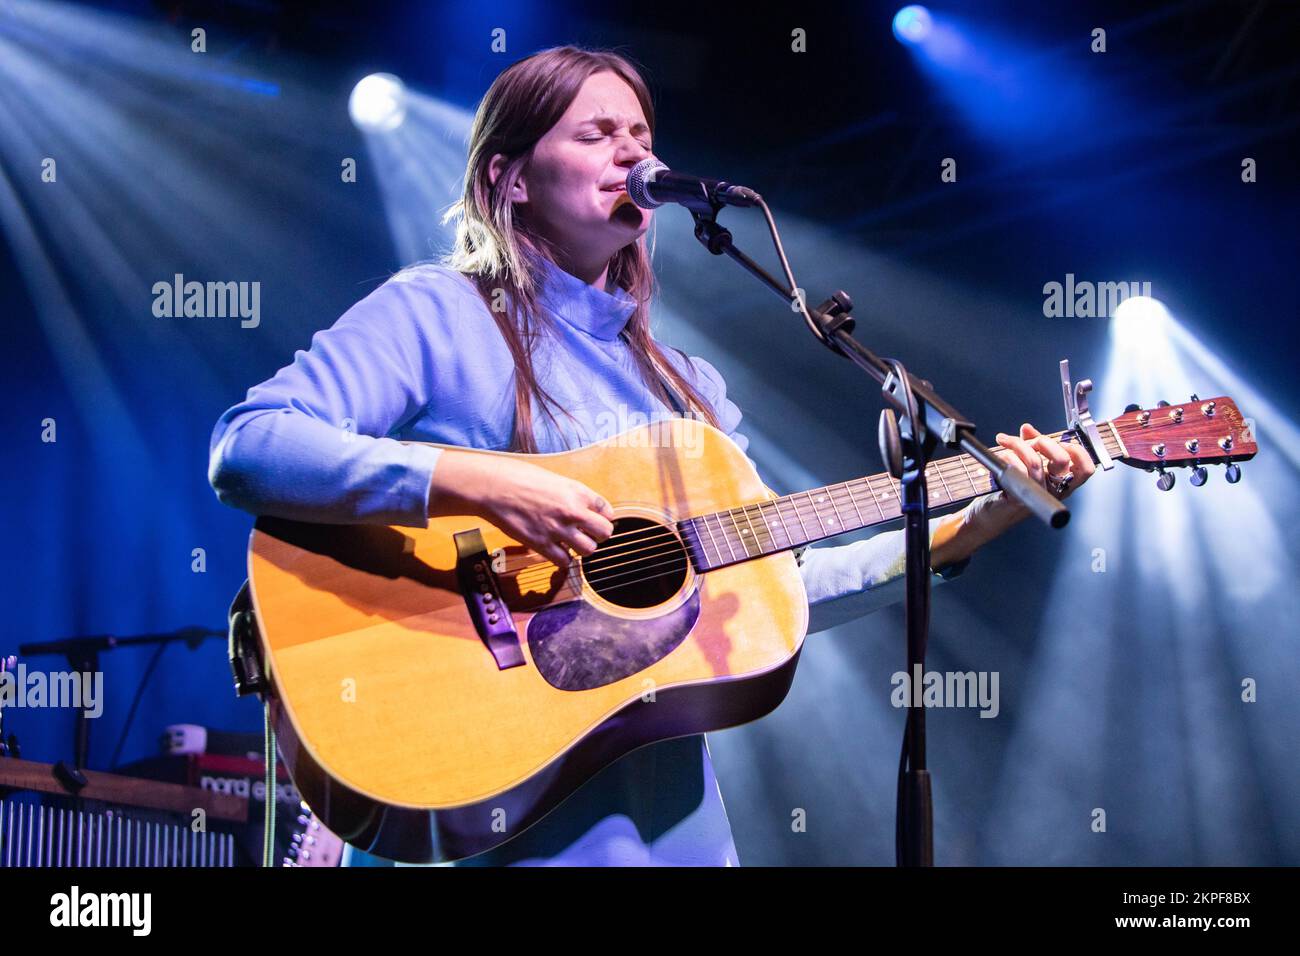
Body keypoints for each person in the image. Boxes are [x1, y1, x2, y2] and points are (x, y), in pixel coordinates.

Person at [208, 45, 1095, 866]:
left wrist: (973, 524)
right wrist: (473, 482)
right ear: (507, 179)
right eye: (594, 133)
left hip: (665, 817)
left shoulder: (692, 396)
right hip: (472, 775)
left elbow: (783, 594)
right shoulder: (439, 313)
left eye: (639, 134)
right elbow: (250, 446)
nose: (630, 153)